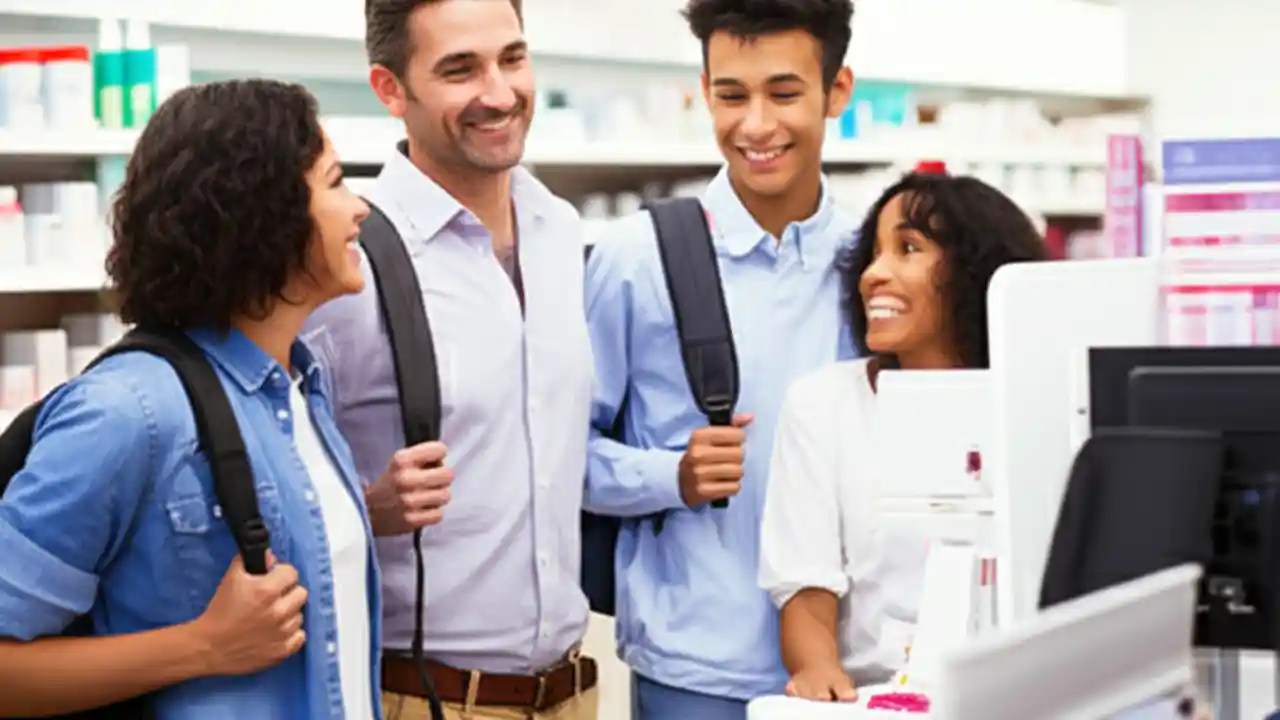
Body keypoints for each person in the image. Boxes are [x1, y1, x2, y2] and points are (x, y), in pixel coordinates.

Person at [0, 79, 385, 718]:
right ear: (267, 214)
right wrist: (205, 646)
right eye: (336, 181)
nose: (360, 207)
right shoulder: (128, 412)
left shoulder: (301, 388)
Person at [302, 1, 598, 718]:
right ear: (390, 89)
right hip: (425, 698)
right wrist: (362, 509)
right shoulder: (349, 262)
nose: (498, 93)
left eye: (513, 58)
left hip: (571, 693)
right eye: (460, 70)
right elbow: (257, 493)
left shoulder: (559, 228)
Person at [582, 0, 860, 717]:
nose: (756, 125)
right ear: (704, 93)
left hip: (855, 667)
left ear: (838, 92)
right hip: (696, 673)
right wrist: (669, 473)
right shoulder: (632, 260)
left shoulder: (873, 264)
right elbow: (560, 458)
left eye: (785, 93)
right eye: (731, 95)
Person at [758, 172, 1049, 702]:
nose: (874, 274)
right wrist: (819, 670)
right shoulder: (824, 405)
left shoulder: (1039, 402)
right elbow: (805, 586)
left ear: (974, 270)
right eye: (873, 253)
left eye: (908, 248)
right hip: (880, 698)